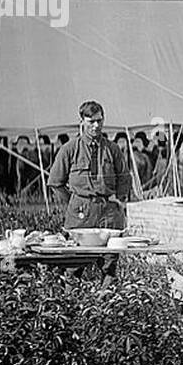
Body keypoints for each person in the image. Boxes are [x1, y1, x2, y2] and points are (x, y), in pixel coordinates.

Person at [47, 100, 133, 286]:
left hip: (108, 212)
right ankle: (74, 308)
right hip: (80, 213)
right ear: (82, 121)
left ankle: (106, 305)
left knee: (109, 266)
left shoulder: (112, 149)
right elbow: (55, 182)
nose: (96, 126)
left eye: (99, 121)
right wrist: (73, 201)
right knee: (73, 266)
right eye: (91, 121)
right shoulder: (70, 149)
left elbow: (125, 178)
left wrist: (118, 200)